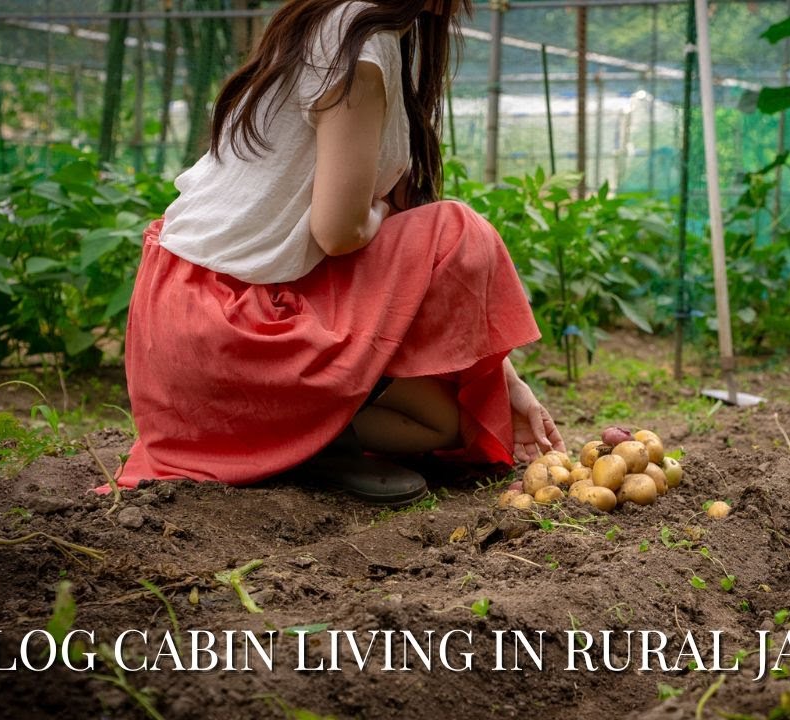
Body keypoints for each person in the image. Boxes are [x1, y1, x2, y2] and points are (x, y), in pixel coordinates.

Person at [115, 0, 565, 504]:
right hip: (224, 330)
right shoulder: (356, 39)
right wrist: (378, 212)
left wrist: (511, 385)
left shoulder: (358, 29)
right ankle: (296, 442)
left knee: (444, 424)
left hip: (188, 333)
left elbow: (391, 249)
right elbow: (339, 233)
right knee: (458, 230)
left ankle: (301, 445)